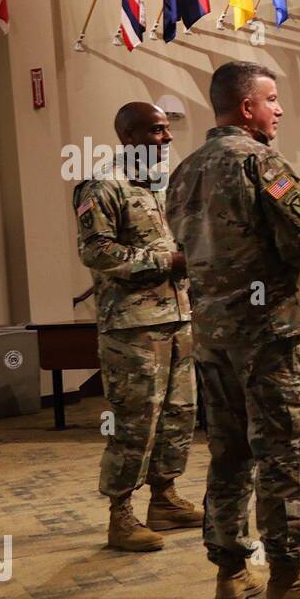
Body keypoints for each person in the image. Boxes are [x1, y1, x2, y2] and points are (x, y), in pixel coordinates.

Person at [166, 61, 300, 599]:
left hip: (212, 336)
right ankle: (289, 577)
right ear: (246, 107)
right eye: (271, 100)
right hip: (271, 334)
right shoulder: (261, 162)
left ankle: (230, 573)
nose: (278, 110)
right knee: (288, 450)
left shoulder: (185, 171)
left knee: (229, 452)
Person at [74, 102, 199, 554]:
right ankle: (120, 514)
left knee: (179, 412)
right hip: (132, 326)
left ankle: (164, 499)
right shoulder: (103, 186)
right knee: (135, 420)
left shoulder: (164, 187)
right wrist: (168, 261)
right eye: (156, 131)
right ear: (128, 136)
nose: (166, 139)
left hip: (178, 318)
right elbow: (97, 252)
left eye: (167, 131)